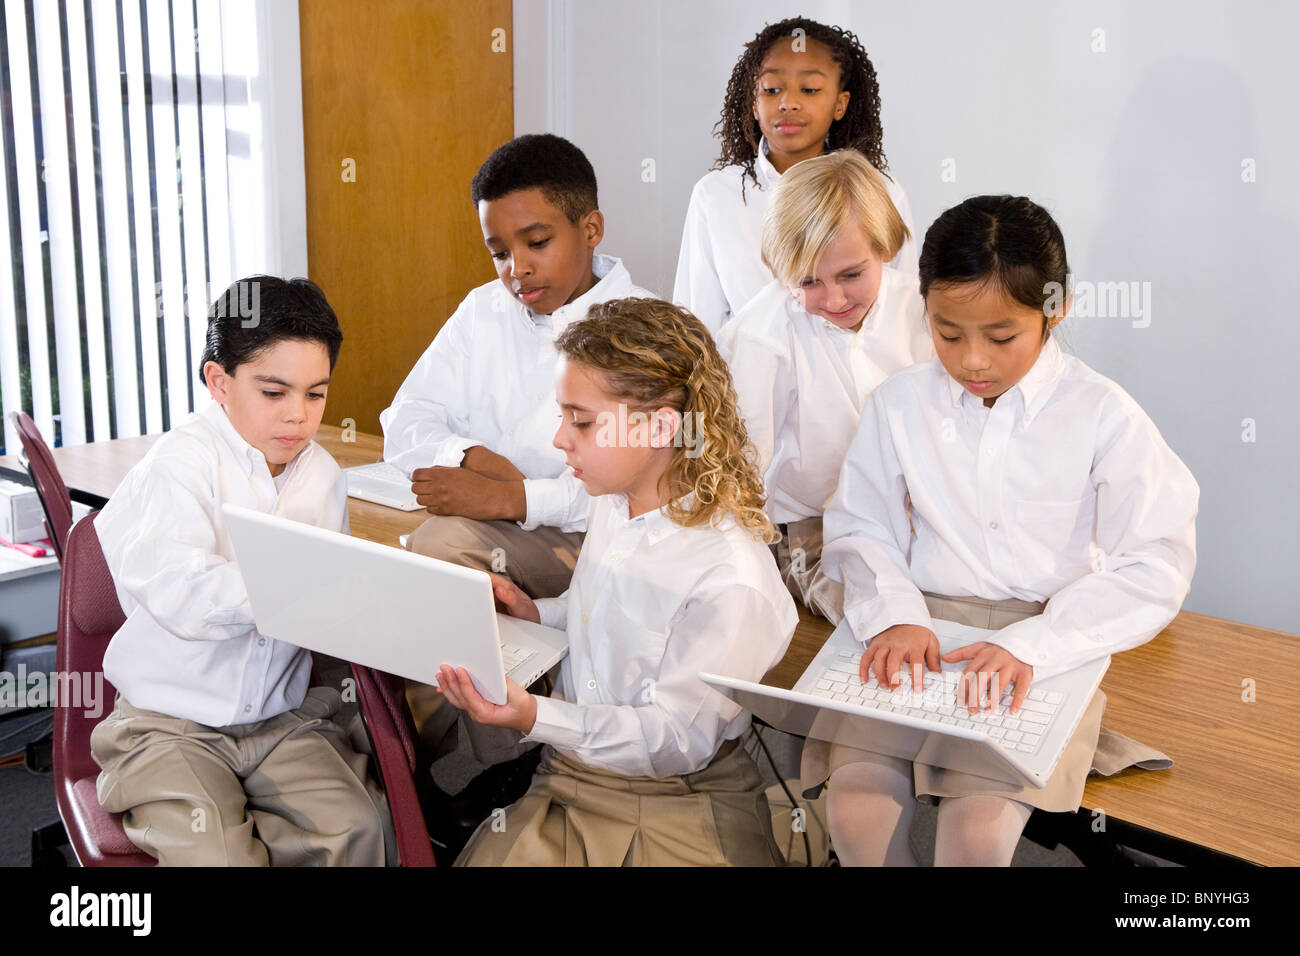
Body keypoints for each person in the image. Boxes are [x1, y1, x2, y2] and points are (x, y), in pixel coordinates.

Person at [811, 196, 1198, 866]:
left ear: (1055, 308)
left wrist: (1035, 645)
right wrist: (894, 616)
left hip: (1043, 641)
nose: (972, 361)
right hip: (917, 636)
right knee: (855, 810)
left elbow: (1156, 563)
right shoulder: (899, 404)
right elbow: (858, 527)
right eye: (947, 332)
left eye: (1000, 336)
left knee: (979, 831)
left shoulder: (1104, 414)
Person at [438, 297, 798, 866]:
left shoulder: (730, 579)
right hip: (568, 771)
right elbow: (603, 616)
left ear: (661, 426)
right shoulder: (614, 500)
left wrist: (536, 717)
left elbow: (677, 741)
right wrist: (540, 615)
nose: (560, 439)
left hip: (675, 800)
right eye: (562, 416)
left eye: (580, 420)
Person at [91, 276, 390, 866]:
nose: (298, 418)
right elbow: (183, 596)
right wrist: (302, 582)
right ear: (219, 381)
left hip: (280, 719)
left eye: (316, 394)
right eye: (274, 392)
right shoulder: (178, 466)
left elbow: (330, 607)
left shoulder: (323, 474)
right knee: (222, 854)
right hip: (170, 724)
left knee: (361, 827)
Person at [379, 133, 652, 762]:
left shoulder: (640, 325)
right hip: (501, 524)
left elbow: (640, 487)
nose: (516, 269)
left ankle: (474, 765)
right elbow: (407, 417)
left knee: (442, 551)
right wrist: (471, 460)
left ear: (592, 228)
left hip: (606, 539)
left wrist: (511, 497)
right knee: (421, 560)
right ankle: (466, 760)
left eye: (536, 243)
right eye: (498, 251)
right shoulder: (484, 310)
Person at [717, 150, 931, 623]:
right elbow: (742, 468)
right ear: (779, 270)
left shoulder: (923, 312)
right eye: (808, 281)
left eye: (851, 275)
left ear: (886, 249)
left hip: (918, 513)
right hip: (812, 528)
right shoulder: (761, 337)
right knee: (873, 614)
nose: (833, 299)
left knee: (958, 594)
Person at [674, 16, 918, 333]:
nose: (789, 103)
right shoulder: (716, 195)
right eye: (772, 89)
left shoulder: (882, 191)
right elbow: (697, 318)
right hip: (748, 378)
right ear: (753, 101)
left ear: (840, 104)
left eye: (810, 89)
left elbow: (904, 309)